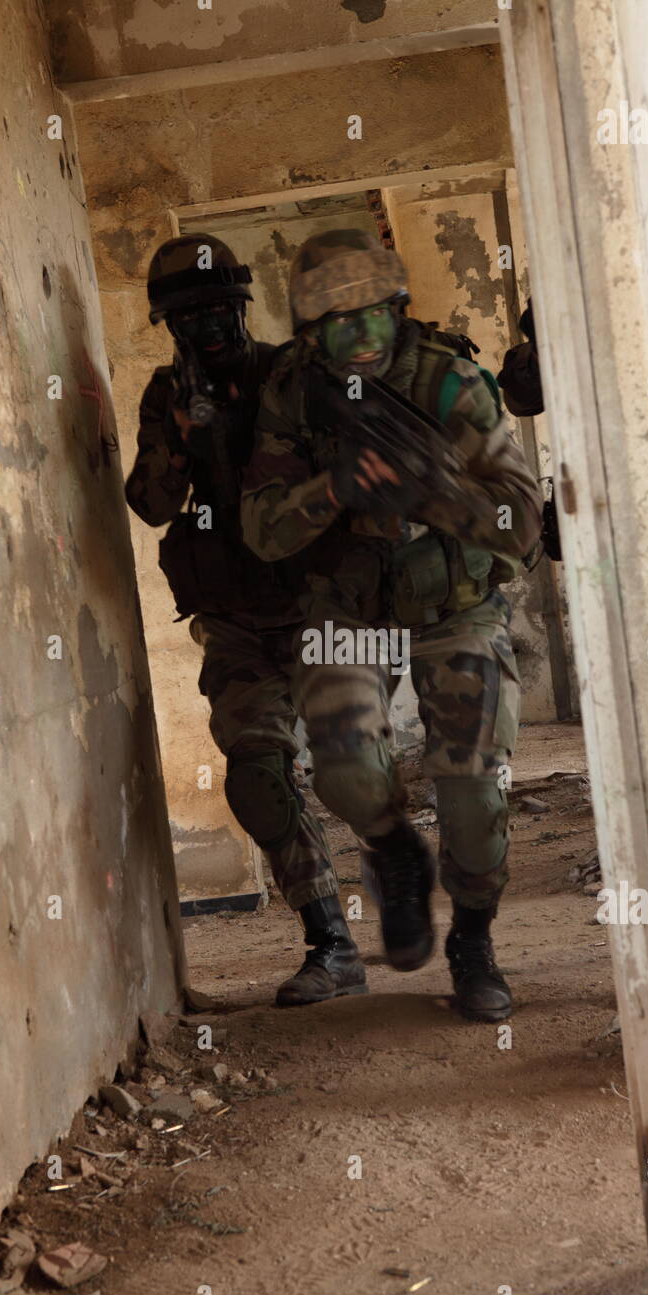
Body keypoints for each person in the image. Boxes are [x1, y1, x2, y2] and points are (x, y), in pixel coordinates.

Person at [241, 229, 543, 1021]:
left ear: (401, 312)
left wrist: (430, 494)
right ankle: (394, 851)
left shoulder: (450, 383)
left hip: (455, 609)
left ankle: (473, 941)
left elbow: (518, 526)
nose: (363, 341)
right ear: (312, 334)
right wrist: (334, 490)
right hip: (349, 611)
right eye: (341, 328)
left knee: (475, 799)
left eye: (376, 319)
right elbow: (262, 530)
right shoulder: (294, 393)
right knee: (345, 773)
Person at [125, 234, 366, 1008]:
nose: (210, 328)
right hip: (236, 619)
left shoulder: (292, 375)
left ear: (243, 304)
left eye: (221, 309)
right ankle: (331, 943)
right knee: (257, 776)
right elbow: (150, 505)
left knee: (359, 774)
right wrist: (185, 447)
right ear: (170, 325)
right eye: (191, 316)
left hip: (319, 606)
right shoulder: (167, 396)